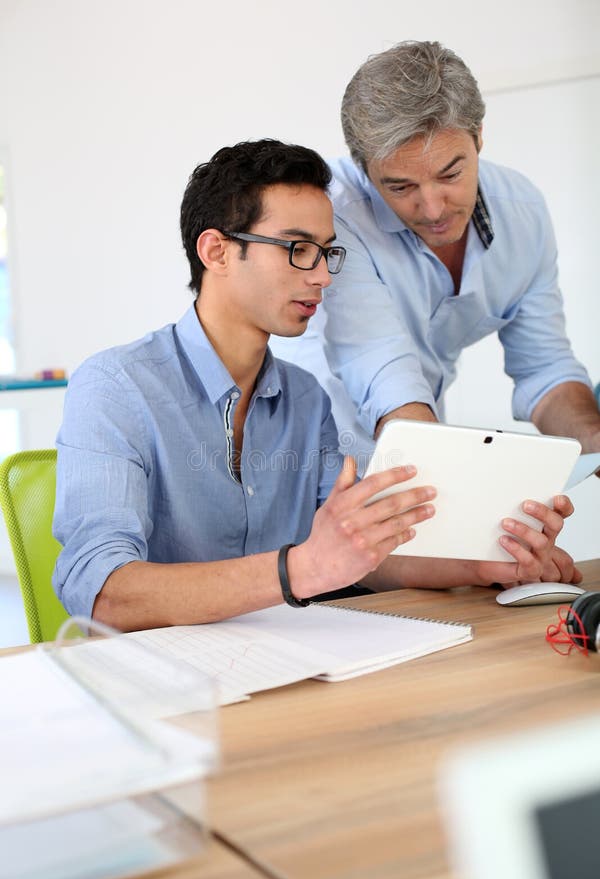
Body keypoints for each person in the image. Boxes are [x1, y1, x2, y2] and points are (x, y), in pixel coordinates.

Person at [52, 139, 579, 632]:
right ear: (215, 252)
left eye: (327, 252)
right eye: (297, 248)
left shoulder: (304, 399)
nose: (323, 276)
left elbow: (367, 557)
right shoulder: (115, 387)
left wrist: (492, 562)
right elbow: (99, 590)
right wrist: (299, 569)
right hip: (165, 690)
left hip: (284, 660)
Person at [271, 41, 600, 467]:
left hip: (416, 438)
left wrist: (594, 443)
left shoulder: (524, 214)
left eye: (451, 174)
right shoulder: (333, 215)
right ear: (364, 168)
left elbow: (545, 368)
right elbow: (380, 365)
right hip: (308, 455)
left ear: (479, 137)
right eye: (400, 186)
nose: (433, 209)